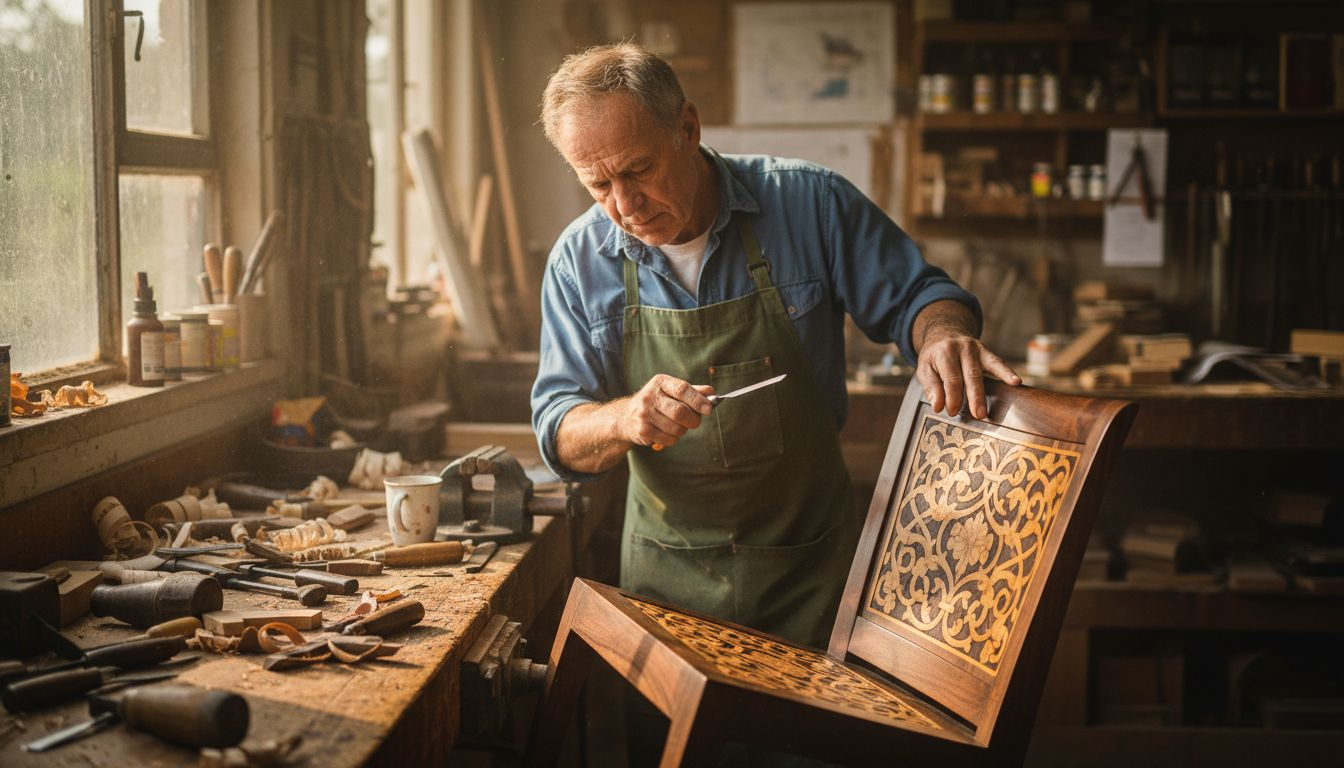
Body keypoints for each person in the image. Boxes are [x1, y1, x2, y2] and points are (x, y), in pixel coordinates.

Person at [532, 43, 1020, 651]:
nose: (624, 207)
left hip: (812, 580)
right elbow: (559, 430)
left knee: (810, 742)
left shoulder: (809, 205)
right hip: (669, 593)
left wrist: (942, 333)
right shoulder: (580, 262)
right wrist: (624, 417)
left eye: (637, 171)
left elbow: (923, 295)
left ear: (687, 128)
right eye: (597, 184)